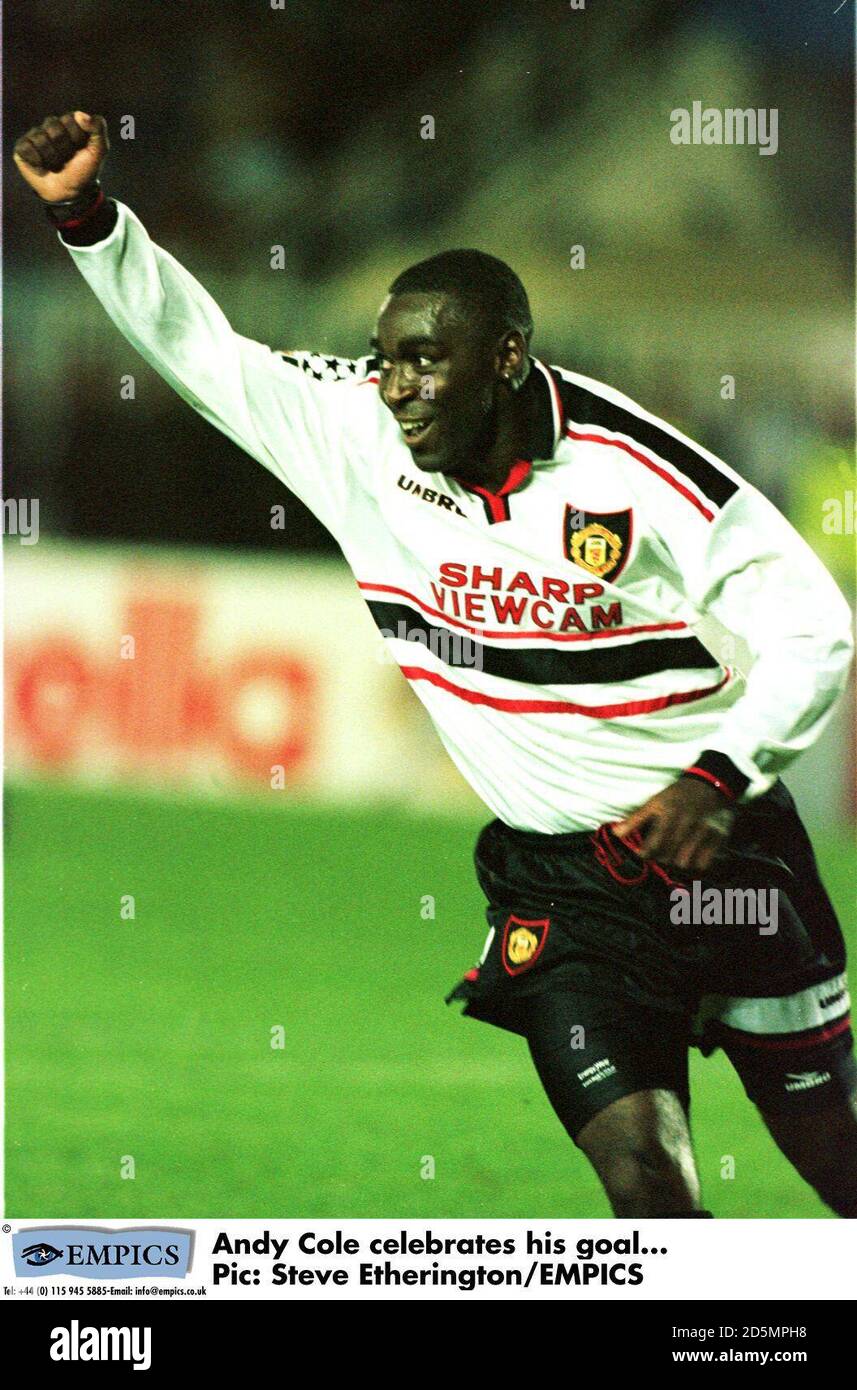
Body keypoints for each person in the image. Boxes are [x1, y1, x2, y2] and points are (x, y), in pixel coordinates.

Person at [14, 111, 857, 1217]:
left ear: (505, 356)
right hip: (566, 889)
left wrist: (719, 773)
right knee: (643, 1177)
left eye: (424, 359)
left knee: (835, 1162)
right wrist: (88, 218)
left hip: (725, 861)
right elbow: (204, 351)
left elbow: (810, 621)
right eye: (383, 361)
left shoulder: (635, 473)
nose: (396, 387)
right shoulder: (353, 436)